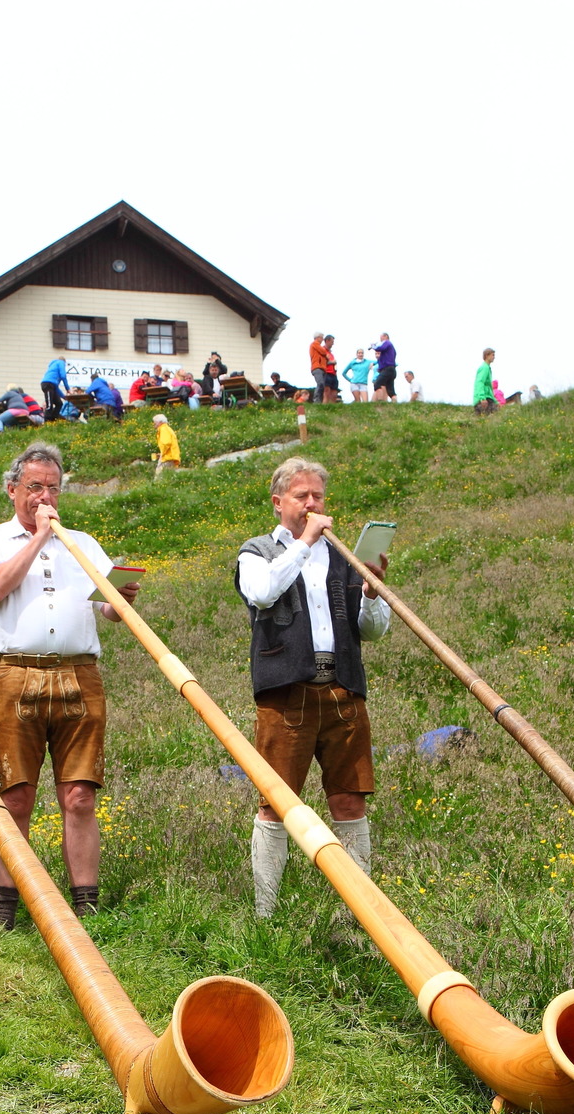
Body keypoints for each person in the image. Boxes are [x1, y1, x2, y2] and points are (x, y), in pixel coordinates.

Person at [0, 442, 141, 928]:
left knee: (80, 796)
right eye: (34, 487)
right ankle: (6, 910)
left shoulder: (83, 542)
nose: (44, 497)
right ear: (12, 490)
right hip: (14, 674)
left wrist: (119, 597)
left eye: (53, 489)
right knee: (15, 796)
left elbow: (106, 610)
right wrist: (39, 538)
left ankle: (86, 907)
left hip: (80, 675)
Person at [234, 456, 392, 918]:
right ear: (278, 500)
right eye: (302, 496)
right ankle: (266, 913)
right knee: (277, 803)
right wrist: (304, 541)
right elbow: (262, 592)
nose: (311, 503)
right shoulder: (257, 550)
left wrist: (370, 592)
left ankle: (359, 912)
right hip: (286, 694)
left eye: (318, 496)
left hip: (343, 688)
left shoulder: (342, 554)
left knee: (349, 796)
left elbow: (373, 631)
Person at [309, 333, 338, 403]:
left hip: (324, 369)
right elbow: (323, 352)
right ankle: (317, 401)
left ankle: (320, 402)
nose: (322, 339)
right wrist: (329, 358)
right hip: (318, 367)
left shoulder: (321, 348)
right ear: (318, 337)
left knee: (323, 386)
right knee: (321, 384)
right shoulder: (315, 344)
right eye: (322, 338)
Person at [152, 412, 181, 478]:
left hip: (167, 457)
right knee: (169, 477)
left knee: (159, 477)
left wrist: (162, 453)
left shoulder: (163, 429)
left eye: (155, 422)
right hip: (171, 456)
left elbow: (166, 443)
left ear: (160, 422)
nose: (154, 424)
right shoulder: (167, 428)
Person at [370, 334, 397, 402]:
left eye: (381, 337)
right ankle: (395, 404)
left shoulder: (387, 342)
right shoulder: (391, 349)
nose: (380, 339)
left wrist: (373, 346)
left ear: (385, 337)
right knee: (390, 391)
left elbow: (380, 348)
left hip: (387, 369)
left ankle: (381, 401)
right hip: (391, 370)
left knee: (377, 384)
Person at [473, 349, 497, 414]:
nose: (494, 357)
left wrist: (495, 401)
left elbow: (489, 387)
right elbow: (480, 382)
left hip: (488, 398)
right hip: (484, 399)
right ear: (487, 355)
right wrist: (482, 398)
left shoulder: (487, 368)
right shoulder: (484, 368)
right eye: (492, 355)